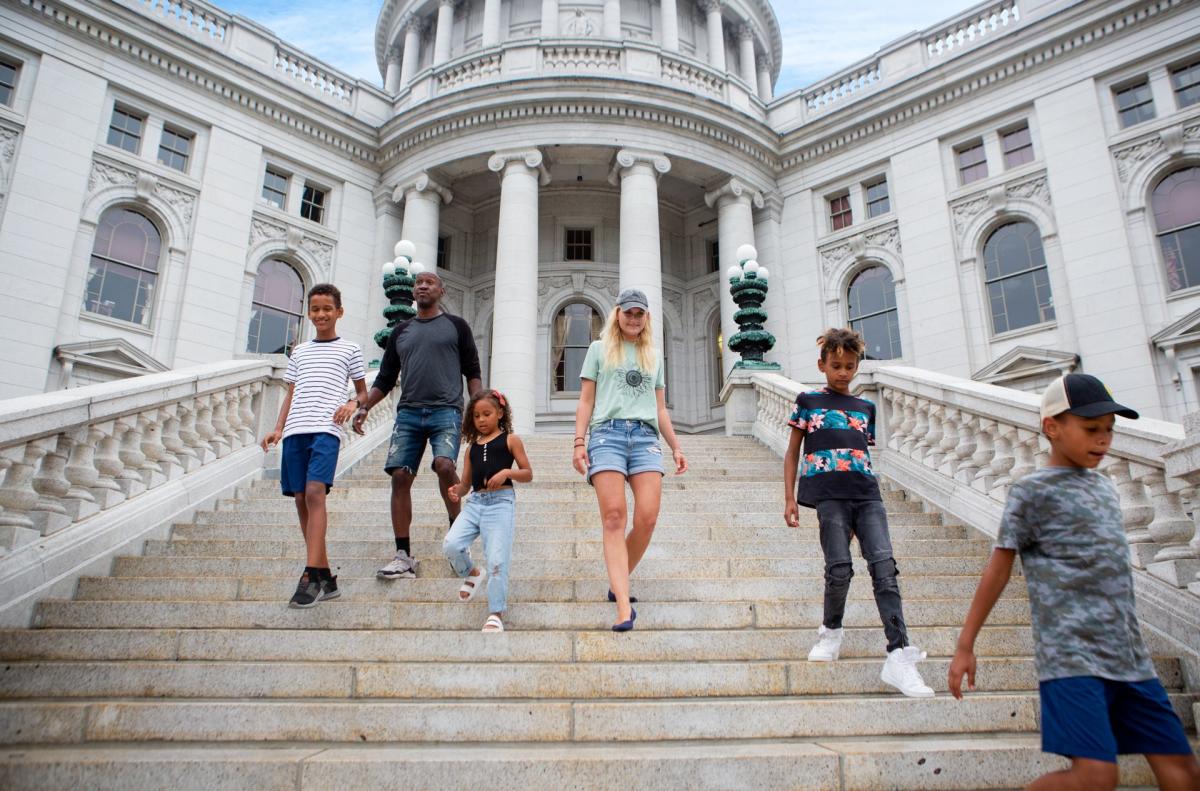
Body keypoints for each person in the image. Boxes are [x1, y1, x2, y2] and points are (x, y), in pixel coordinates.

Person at [949, 374, 1200, 790]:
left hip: (1131, 660)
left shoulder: (1105, 487)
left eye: (1108, 430)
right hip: (1071, 660)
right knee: (1096, 776)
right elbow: (999, 566)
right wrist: (965, 644)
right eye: (1090, 429)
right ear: (1052, 427)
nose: (1103, 440)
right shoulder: (1031, 492)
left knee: (1184, 772)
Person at [783, 327, 933, 697]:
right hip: (829, 497)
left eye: (850, 366)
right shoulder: (808, 402)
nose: (843, 373)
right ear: (822, 365)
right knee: (839, 569)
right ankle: (830, 633)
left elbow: (861, 453)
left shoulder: (865, 408)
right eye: (836, 366)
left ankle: (899, 654)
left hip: (867, 496)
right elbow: (792, 452)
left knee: (885, 569)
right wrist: (789, 498)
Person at [352, 270, 482, 580]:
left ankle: (457, 541)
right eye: (418, 283)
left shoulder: (456, 326)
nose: (422, 286)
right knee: (399, 475)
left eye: (429, 282)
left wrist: (480, 408)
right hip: (409, 412)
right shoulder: (401, 332)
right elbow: (385, 378)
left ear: (441, 290)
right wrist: (364, 405)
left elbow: (473, 371)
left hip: (447, 410)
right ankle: (402, 555)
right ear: (414, 291)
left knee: (445, 465)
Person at [573, 289, 688, 631]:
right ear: (618, 314)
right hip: (607, 435)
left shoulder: (653, 355)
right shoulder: (598, 349)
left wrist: (676, 446)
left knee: (647, 518)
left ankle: (617, 579)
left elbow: (660, 408)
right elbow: (585, 401)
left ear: (646, 317)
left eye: (640, 313)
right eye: (629, 312)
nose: (634, 318)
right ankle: (624, 606)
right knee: (613, 517)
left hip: (645, 438)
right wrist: (579, 442)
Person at [259, 283, 366, 608]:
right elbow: (291, 393)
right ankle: (324, 575)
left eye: (327, 309)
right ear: (309, 313)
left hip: (325, 430)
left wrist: (352, 404)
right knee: (302, 498)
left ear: (339, 312)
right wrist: (277, 428)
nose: (321, 315)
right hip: (295, 431)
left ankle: (309, 575)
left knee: (316, 492)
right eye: (315, 309)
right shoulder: (301, 352)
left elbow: (363, 393)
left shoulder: (350, 350)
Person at [443, 389, 533, 632]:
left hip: (501, 504)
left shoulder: (511, 440)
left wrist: (506, 472)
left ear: (500, 413)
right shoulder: (471, 447)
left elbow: (528, 473)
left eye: (487, 414)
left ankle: (496, 613)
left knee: (496, 560)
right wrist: (457, 491)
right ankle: (471, 571)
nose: (481, 420)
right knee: (451, 544)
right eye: (476, 416)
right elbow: (466, 483)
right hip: (475, 504)